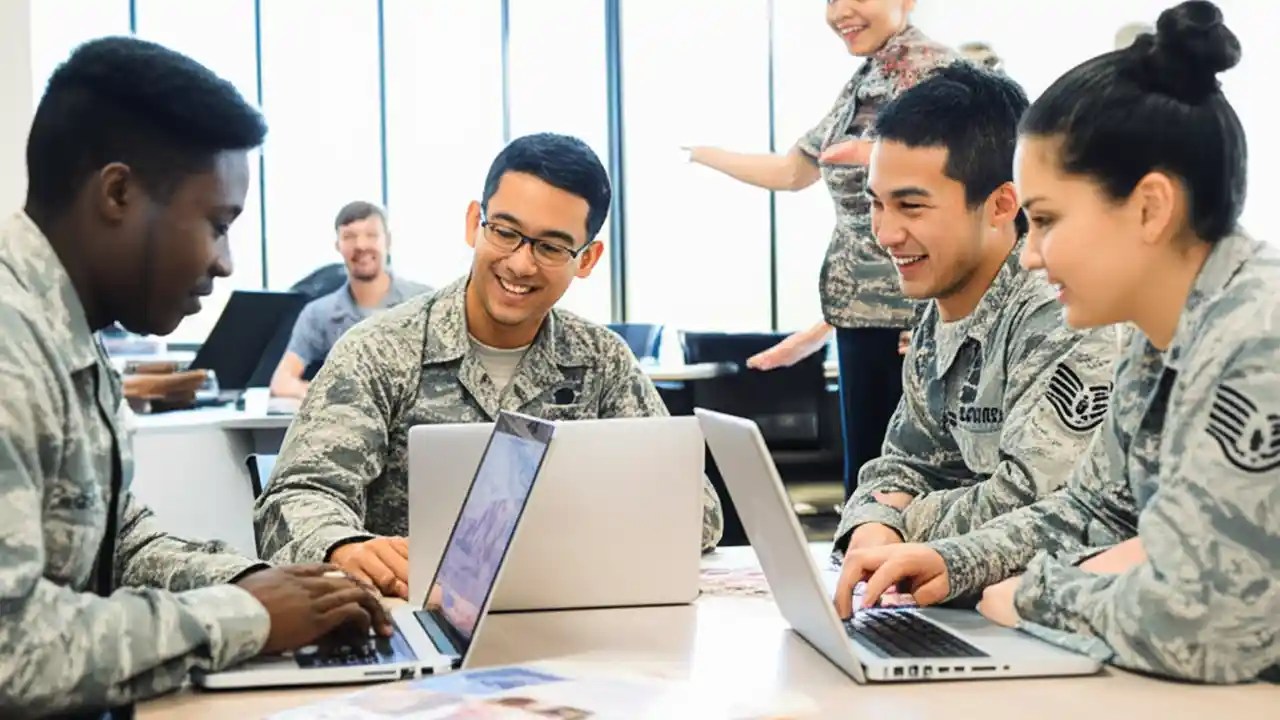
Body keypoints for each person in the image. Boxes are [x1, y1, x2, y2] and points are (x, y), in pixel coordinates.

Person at [836, 1, 1279, 684]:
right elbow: (1094, 512)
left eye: (1045, 221)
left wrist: (1034, 595)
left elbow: (1205, 624)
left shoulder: (1258, 339)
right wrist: (958, 561)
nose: (1032, 255)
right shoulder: (1164, 339)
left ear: (1150, 208)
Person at [0, 37, 388, 719]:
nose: (226, 262)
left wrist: (268, 586)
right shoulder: (11, 350)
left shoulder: (65, 336)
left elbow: (119, 540)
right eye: (218, 224)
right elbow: (12, 652)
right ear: (117, 193)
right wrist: (241, 614)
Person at [255, 133, 725, 598]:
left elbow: (697, 510)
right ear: (472, 225)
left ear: (588, 259)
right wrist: (344, 546)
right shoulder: (379, 351)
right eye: (504, 232)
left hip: (567, 615)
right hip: (412, 622)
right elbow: (295, 500)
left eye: (552, 247)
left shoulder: (601, 362)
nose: (521, 264)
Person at [832, 63, 1120, 562]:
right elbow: (901, 464)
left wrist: (902, 524)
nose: (885, 233)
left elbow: (1035, 504)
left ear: (1001, 205)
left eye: (911, 207)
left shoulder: (1061, 314)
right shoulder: (941, 310)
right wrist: (871, 523)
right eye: (876, 203)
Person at [685, 0, 960, 500]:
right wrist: (704, 155)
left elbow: (972, 181)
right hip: (863, 316)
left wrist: (945, 318)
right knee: (865, 485)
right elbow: (794, 172)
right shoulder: (867, 78)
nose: (840, 12)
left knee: (900, 488)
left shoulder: (934, 73)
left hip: (910, 318)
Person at [269, 201, 431, 399]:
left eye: (371, 235)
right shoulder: (319, 314)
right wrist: (335, 397)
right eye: (349, 237)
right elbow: (282, 382)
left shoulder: (424, 302)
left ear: (387, 241)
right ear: (337, 245)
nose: (361, 245)